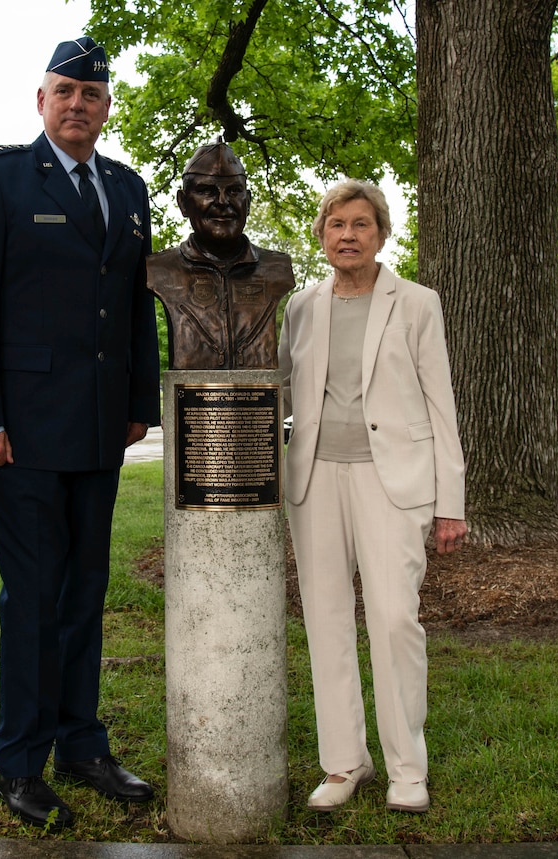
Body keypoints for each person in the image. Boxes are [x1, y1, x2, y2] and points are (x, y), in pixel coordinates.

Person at [0, 37, 161, 829]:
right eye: (64, 91)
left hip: (101, 427)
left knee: (85, 594)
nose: (78, 104)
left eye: (92, 94)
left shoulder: (127, 188)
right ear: (41, 101)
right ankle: (21, 760)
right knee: (33, 596)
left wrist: (141, 400)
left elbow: (136, 304)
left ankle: (82, 743)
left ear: (107, 107)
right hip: (23, 432)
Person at [278, 179, 467, 815]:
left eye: (361, 224)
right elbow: (283, 395)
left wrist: (451, 501)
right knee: (326, 620)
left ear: (381, 235)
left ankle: (406, 768)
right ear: (322, 236)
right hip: (315, 481)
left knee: (392, 620)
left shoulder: (417, 303)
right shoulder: (300, 308)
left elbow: (441, 403)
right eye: (337, 225)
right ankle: (343, 762)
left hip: (394, 483)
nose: (348, 235)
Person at [146, 142, 294, 369]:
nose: (223, 201)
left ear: (249, 201)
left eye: (234, 191)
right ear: (183, 203)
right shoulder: (159, 270)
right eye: (207, 191)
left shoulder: (277, 269)